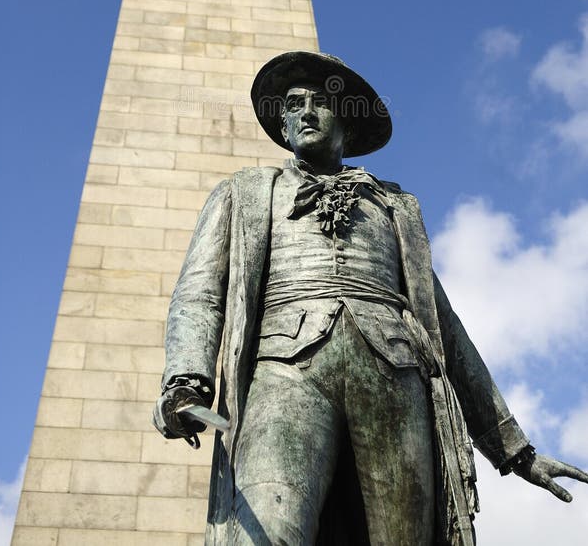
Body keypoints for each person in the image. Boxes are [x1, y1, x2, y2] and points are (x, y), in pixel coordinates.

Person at [154, 51, 587, 545]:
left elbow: (445, 328)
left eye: (321, 103)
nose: (306, 113)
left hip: (394, 376)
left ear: (348, 124)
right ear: (283, 126)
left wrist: (515, 450)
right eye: (294, 105)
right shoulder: (245, 193)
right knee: (267, 534)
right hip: (283, 374)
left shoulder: (394, 208)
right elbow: (200, 293)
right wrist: (185, 381)